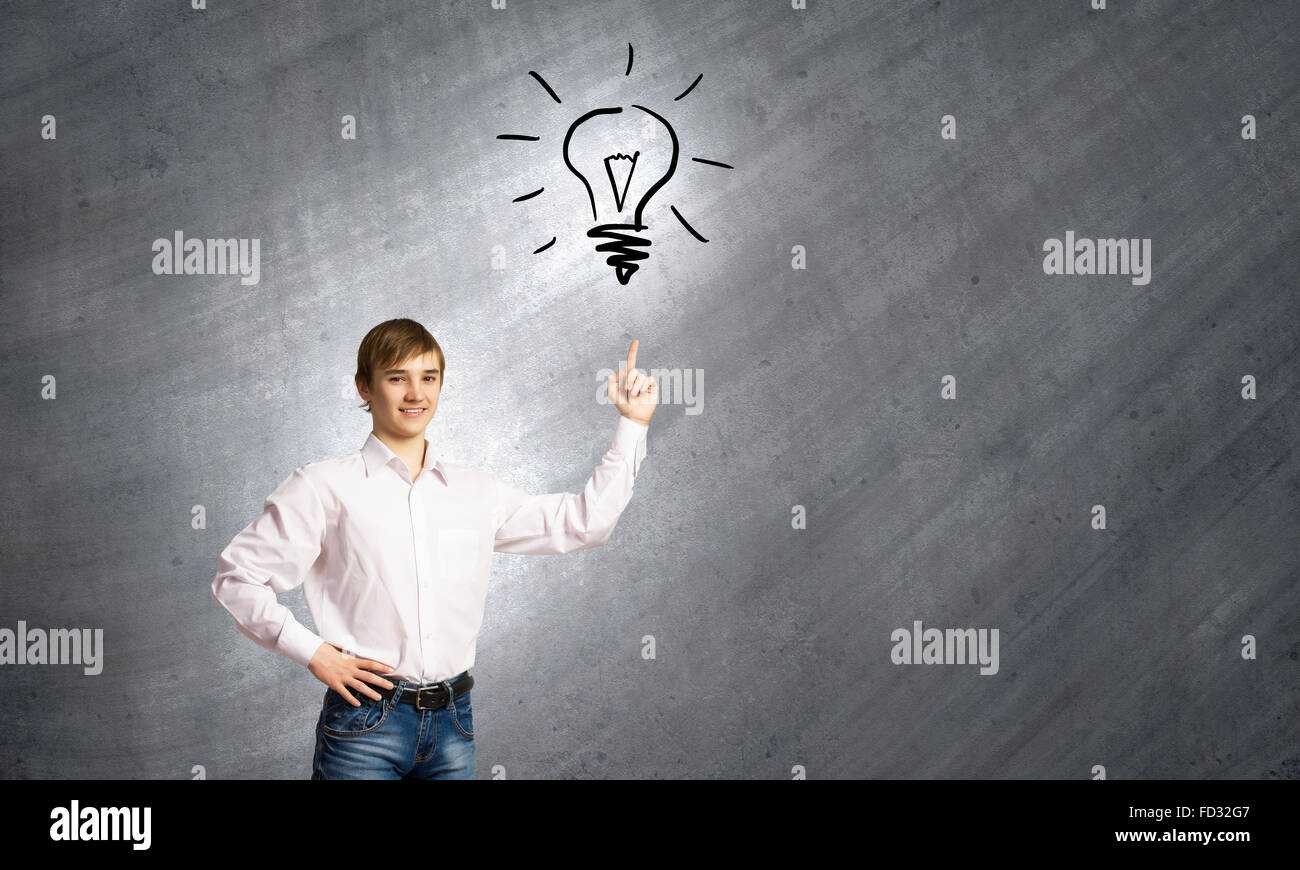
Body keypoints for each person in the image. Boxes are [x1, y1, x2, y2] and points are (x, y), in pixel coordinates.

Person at [210, 318, 656, 779]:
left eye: (428, 378)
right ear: (364, 387)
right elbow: (237, 578)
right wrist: (315, 653)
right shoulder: (323, 487)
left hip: (454, 725)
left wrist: (632, 424)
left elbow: (586, 523)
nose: (415, 394)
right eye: (397, 378)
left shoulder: (477, 492)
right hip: (365, 724)